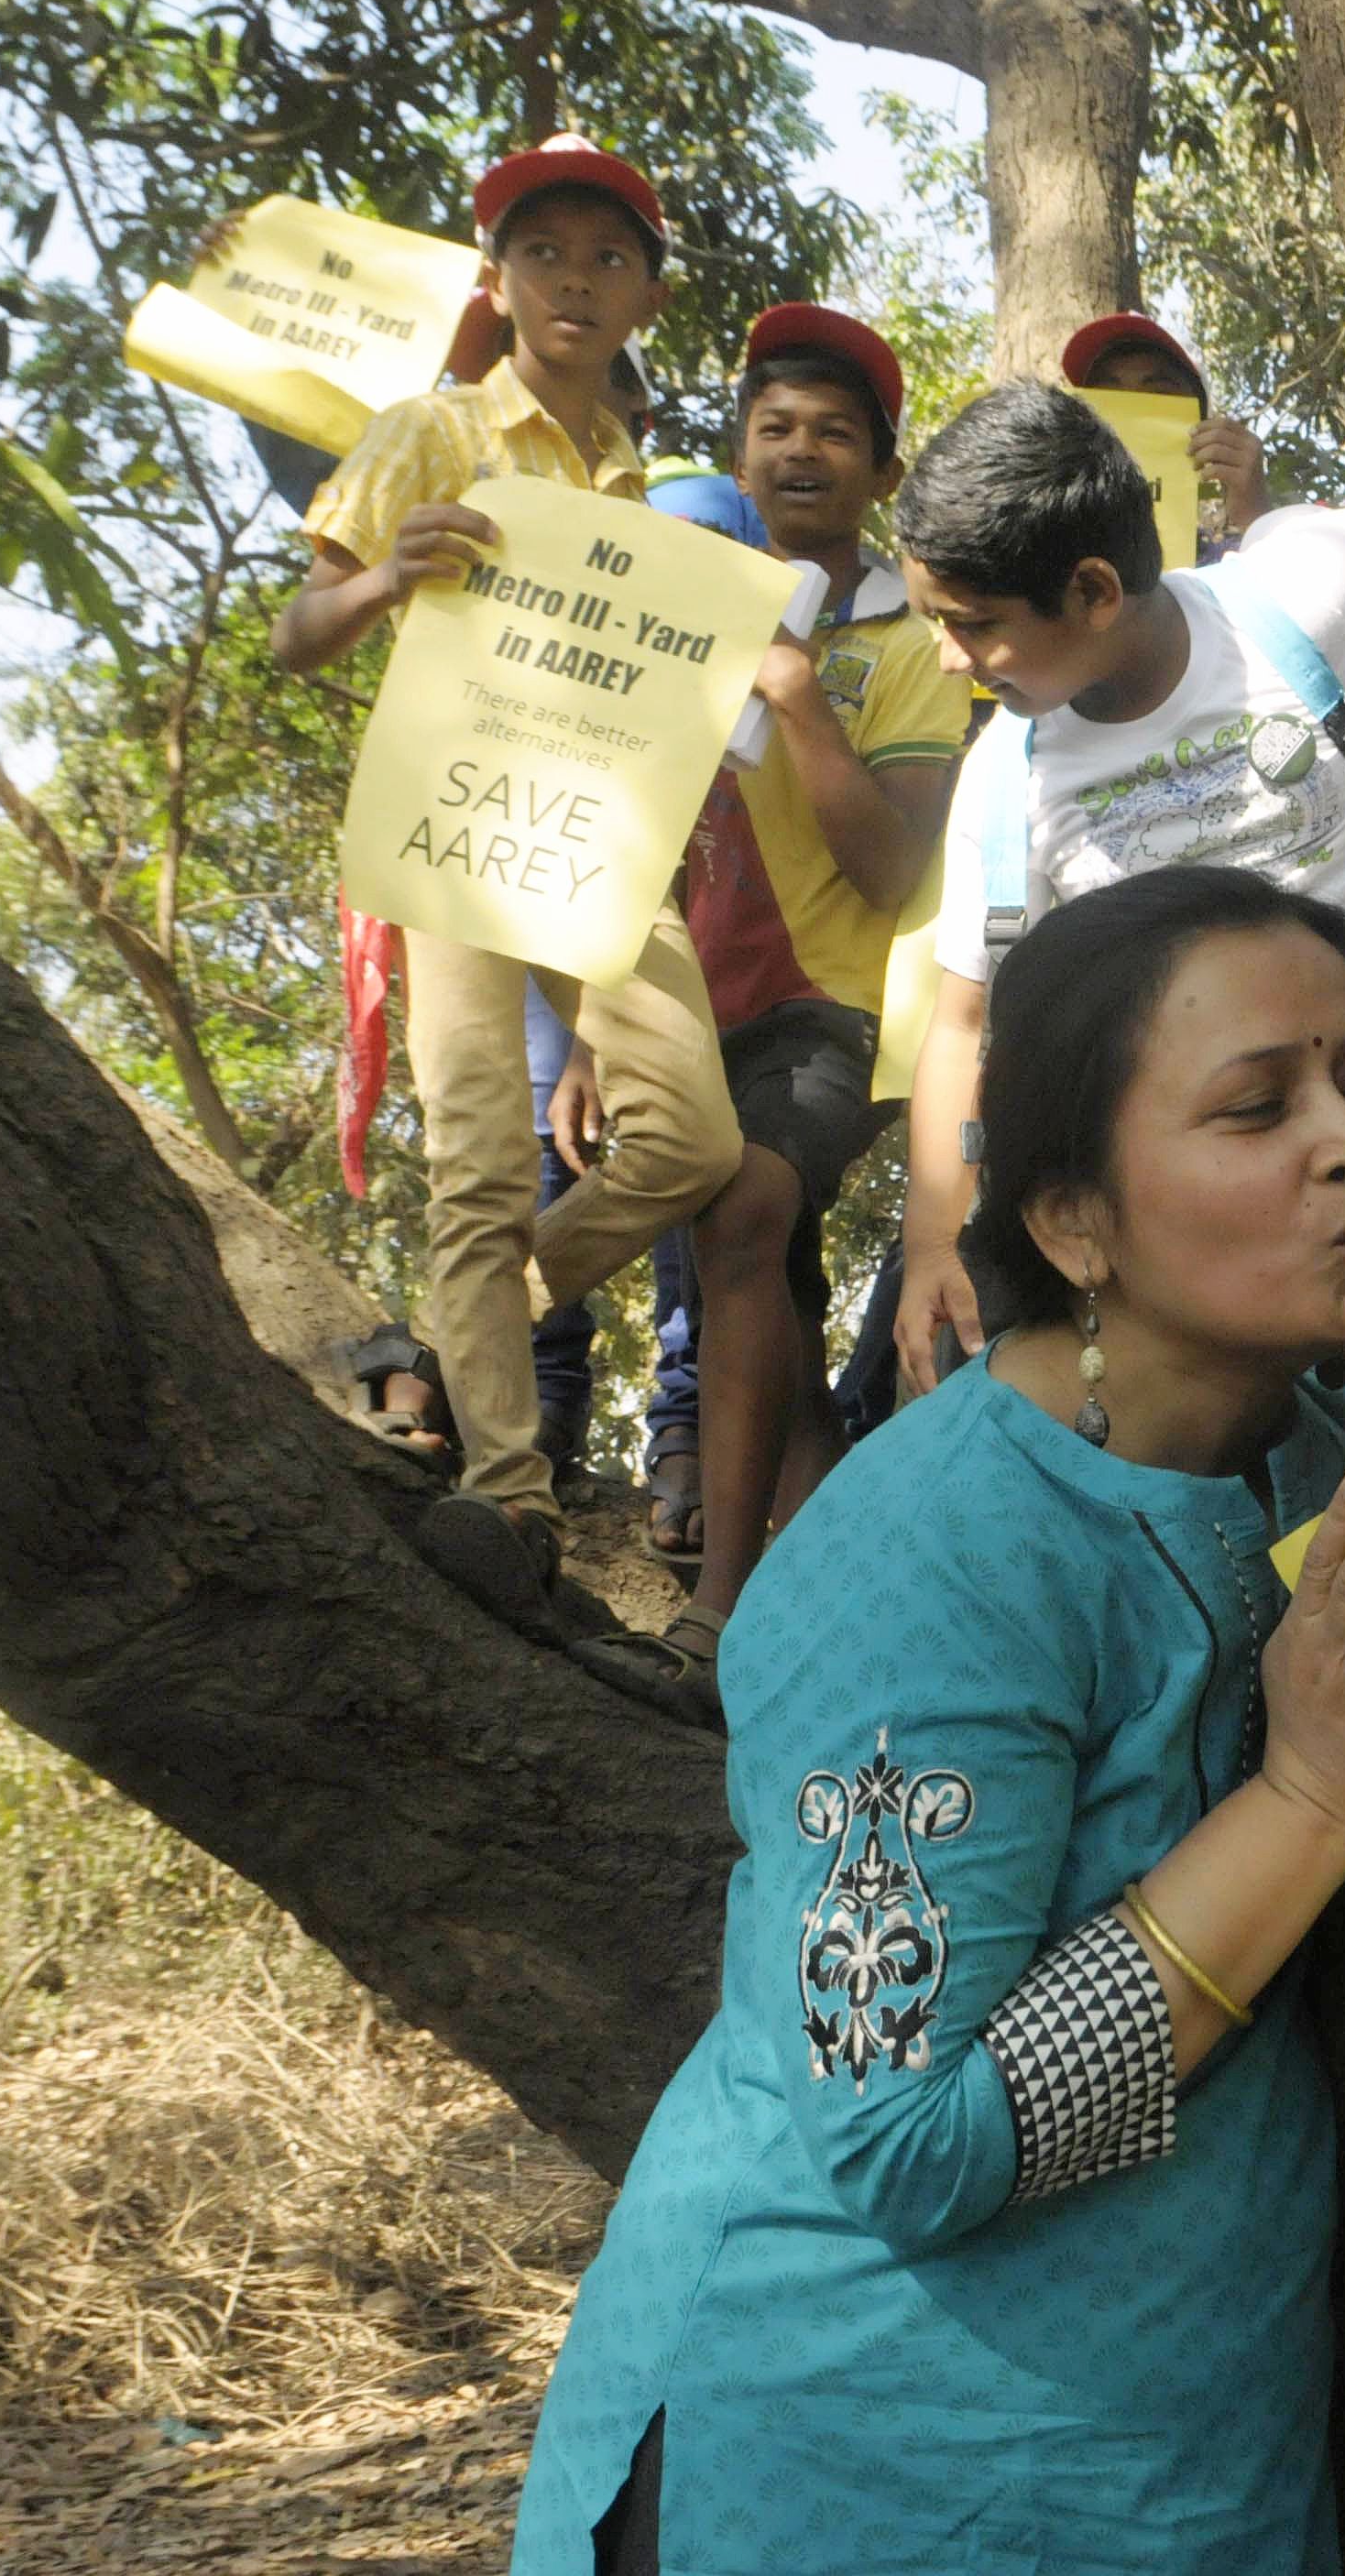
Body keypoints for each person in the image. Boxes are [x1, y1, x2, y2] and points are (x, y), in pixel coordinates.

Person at [504, 867, 1345, 2575]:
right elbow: (903, 2129)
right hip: (859, 2463)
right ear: (1074, 1223)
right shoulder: (941, 1552)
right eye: (1257, 1105)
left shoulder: (1322, 1458)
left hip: (1168, 2451)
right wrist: (1306, 1801)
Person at [273, 137, 743, 1636]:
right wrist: (381, 580)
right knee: (474, 1167)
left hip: (599, 830)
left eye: (608, 258)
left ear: (647, 294)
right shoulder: (429, 430)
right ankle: (511, 1491)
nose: (575, 282)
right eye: (544, 254)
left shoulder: (644, 483)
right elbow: (298, 633)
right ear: (498, 280)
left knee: (687, 1138)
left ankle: (454, 1329)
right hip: (454, 820)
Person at [884, 383, 1345, 1400]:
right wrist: (933, 1239)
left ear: (1095, 592)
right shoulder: (1008, 778)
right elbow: (961, 1021)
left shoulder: (1281, 604)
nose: (949, 658)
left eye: (974, 626)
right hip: (1180, 1173)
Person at [571, 305, 974, 1722]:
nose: (801, 450)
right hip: (696, 1003)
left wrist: (802, 701)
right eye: (775, 428)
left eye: (836, 433)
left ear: (877, 472)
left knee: (743, 1213)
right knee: (768, 1287)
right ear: (741, 458)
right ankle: (825, 1597)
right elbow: (626, 828)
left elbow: (898, 867)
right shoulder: (672, 616)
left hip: (849, 1006)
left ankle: (720, 1613)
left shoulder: (916, 641)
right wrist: (591, 1027)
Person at [1062, 311, 1274, 538]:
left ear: (1203, 426)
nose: (1132, 411)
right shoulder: (1044, 554)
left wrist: (1256, 518)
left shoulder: (1218, 565)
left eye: (1157, 394)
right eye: (1107, 396)